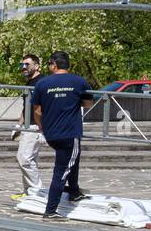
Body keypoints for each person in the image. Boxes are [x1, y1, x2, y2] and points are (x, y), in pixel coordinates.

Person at [30, 51, 93, 221]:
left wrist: (40, 125)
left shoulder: (42, 84)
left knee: (73, 159)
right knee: (61, 171)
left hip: (51, 134)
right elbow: (88, 103)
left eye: (50, 64)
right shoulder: (79, 82)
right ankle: (50, 210)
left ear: (54, 65)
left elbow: (37, 110)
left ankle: (74, 192)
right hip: (69, 133)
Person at [15, 53, 46, 194]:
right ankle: (28, 191)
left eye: (27, 64)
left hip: (35, 126)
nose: (23, 67)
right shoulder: (29, 83)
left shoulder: (42, 82)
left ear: (37, 66)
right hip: (28, 125)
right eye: (22, 64)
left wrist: (42, 128)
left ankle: (36, 192)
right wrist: (18, 125)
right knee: (27, 159)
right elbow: (26, 107)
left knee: (25, 159)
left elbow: (43, 107)